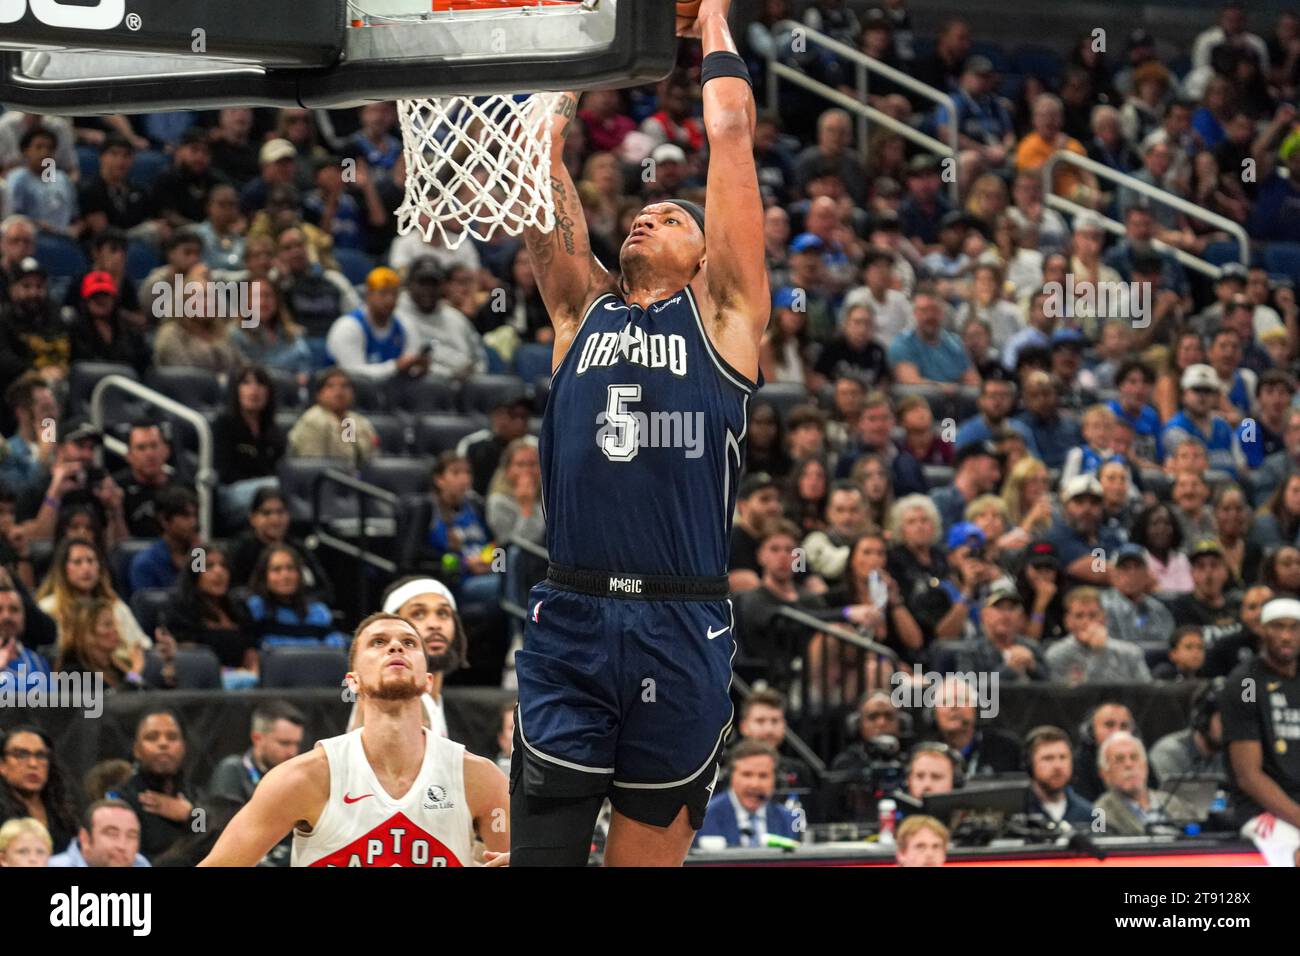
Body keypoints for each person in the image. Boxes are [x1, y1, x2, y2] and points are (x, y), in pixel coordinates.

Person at [508, 3, 771, 867]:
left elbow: (730, 136)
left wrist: (718, 20)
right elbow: (536, 167)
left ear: (705, 259)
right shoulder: (579, 312)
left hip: (680, 619)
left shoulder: (725, 319)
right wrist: (577, 53)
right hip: (572, 611)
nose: (648, 217)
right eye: (644, 214)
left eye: (676, 218)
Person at [201, 613, 509, 866]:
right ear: (353, 680)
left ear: (428, 680)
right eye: (378, 642)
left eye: (409, 643)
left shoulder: (479, 779)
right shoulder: (304, 778)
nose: (395, 648)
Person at [1222, 596, 1300, 866]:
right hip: (1263, 809)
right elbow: (1248, 776)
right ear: (1262, 630)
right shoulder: (1245, 683)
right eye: (1278, 627)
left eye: (1294, 628)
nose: (1287, 636)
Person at [347, 577, 470, 738]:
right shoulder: (397, 697)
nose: (434, 624)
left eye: (443, 613)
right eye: (418, 614)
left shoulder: (430, 698)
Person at [106, 710, 203, 860]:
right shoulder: (121, 799)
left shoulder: (195, 797)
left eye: (172, 737)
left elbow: (208, 841)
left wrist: (191, 815)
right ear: (137, 750)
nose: (163, 743)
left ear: (184, 747)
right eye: (152, 737)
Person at [164, 541, 256, 687]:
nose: (219, 572)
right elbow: (190, 659)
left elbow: (251, 652)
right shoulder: (181, 610)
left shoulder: (239, 608)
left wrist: (252, 674)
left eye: (224, 566)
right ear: (195, 574)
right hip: (201, 686)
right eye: (209, 566)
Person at [36, 537, 150, 648]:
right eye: (77, 562)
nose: (86, 568)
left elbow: (142, 645)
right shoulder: (49, 608)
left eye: (90, 561)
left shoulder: (115, 606)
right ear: (63, 570)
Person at [325, 266, 429, 384]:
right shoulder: (348, 327)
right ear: (369, 294)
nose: (389, 300)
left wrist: (419, 368)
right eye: (383, 293)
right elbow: (353, 373)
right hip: (351, 390)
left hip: (394, 388)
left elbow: (409, 363)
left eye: (394, 294)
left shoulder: (405, 324)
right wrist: (395, 367)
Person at [228, 486, 332, 603]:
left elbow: (325, 591)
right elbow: (232, 590)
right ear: (253, 518)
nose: (275, 519)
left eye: (280, 512)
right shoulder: (240, 549)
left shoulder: (298, 548)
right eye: (267, 513)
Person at [931, 581, 1049, 682]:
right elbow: (970, 691)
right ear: (984, 614)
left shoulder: (1031, 648)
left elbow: (1056, 688)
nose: (1006, 615)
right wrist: (1009, 670)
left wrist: (1033, 668)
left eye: (1011, 609)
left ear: (1020, 616)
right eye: (999, 608)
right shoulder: (970, 651)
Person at [211, 365, 287, 521]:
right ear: (235, 390)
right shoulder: (223, 424)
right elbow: (224, 472)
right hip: (231, 491)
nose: (254, 390)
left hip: (268, 489)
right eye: (246, 383)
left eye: (260, 384)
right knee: (277, 487)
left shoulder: (273, 429)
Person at [693, 739, 800, 849]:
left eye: (763, 776)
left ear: (775, 779)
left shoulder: (787, 819)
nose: (755, 784)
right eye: (747, 775)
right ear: (730, 776)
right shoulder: (702, 818)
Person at [245, 544, 347, 651]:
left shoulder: (318, 612)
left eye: (290, 568)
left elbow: (336, 650)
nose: (285, 575)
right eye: (276, 569)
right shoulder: (254, 608)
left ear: (299, 574)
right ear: (264, 576)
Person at [1045, 587, 1152, 685]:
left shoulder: (1130, 653)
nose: (1086, 622)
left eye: (1093, 615)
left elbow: (1147, 694)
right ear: (1068, 621)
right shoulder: (1056, 655)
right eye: (1079, 616)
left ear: (1103, 618)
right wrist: (1098, 653)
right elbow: (1067, 698)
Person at [1093, 732, 1192, 835]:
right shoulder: (1101, 812)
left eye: (1134, 757)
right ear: (1105, 773)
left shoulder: (1175, 803)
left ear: (1145, 766)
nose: (1129, 764)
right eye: (1119, 759)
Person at [0, 727, 77, 853]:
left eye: (41, 755)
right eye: (21, 755)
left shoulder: (62, 815)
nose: (33, 764)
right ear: (2, 765)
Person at [927, 674, 1022, 775]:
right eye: (945, 701)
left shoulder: (1006, 748)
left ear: (976, 709)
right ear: (934, 714)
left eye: (961, 700)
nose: (954, 706)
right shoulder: (925, 754)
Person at [734, 689, 817, 805]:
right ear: (744, 727)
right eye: (760, 721)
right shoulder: (729, 771)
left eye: (775, 721)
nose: (769, 730)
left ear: (784, 725)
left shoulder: (799, 772)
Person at [286, 367, 379, 467]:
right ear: (319, 394)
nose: (339, 391)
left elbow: (365, 458)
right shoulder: (313, 420)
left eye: (345, 386)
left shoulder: (354, 420)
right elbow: (312, 467)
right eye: (330, 386)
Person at [53, 598, 150, 691]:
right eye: (108, 625)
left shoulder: (114, 666)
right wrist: (135, 671)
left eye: (115, 624)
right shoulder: (71, 673)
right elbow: (110, 703)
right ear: (85, 633)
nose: (116, 630)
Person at [111, 420, 182, 539]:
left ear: (167, 450)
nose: (149, 454)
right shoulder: (116, 488)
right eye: (141, 448)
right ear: (128, 456)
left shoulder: (183, 488)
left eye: (154, 446)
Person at [127, 486, 200, 593]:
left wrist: (198, 553)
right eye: (185, 516)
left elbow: (201, 595)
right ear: (164, 520)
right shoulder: (145, 563)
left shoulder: (198, 552)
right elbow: (147, 606)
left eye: (195, 515)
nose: (193, 522)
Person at [1100, 544, 1176, 647]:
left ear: (1147, 574)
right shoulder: (1101, 605)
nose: (1132, 573)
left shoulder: (1158, 609)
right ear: (1114, 573)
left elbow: (1170, 646)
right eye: (1125, 567)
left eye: (1138, 567)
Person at [1149, 682, 1225, 779]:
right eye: (1223, 719)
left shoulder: (1231, 755)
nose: (1231, 726)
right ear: (1203, 719)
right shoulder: (1169, 754)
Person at [1023, 726, 1094, 827]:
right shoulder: (1016, 814)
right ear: (1030, 764)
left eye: (1063, 757)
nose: (1058, 766)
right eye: (1048, 758)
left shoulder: (1089, 814)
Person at [48, 799, 150, 868]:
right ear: (85, 840)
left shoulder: (141, 864)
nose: (122, 846)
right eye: (112, 834)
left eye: (131, 836)